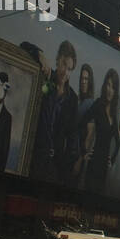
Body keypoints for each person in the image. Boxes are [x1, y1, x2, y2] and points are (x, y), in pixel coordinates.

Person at [31, 40, 79, 186]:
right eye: (64, 64)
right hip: (33, 157)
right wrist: (39, 54)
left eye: (70, 69)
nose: (66, 72)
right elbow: (24, 46)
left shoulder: (72, 98)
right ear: (58, 60)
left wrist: (64, 167)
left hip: (54, 167)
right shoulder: (46, 78)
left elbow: (72, 137)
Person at [83, 68, 120, 191]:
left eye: (113, 87)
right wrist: (84, 152)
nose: (110, 90)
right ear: (105, 86)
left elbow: (118, 143)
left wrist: (112, 160)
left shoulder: (114, 115)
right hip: (93, 163)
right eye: (108, 85)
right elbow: (82, 122)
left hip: (104, 168)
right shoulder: (99, 105)